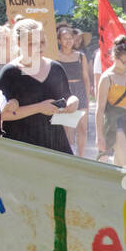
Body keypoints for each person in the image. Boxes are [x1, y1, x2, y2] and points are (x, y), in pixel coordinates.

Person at [0, 18, 77, 154]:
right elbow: (0, 115)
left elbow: (68, 96)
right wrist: (39, 108)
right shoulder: (9, 73)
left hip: (54, 143)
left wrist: (73, 102)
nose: (39, 47)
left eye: (42, 42)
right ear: (18, 43)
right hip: (21, 148)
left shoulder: (56, 67)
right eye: (32, 43)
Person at [95, 36, 126, 168]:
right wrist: (99, 135)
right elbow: (100, 108)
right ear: (115, 58)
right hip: (114, 122)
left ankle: (116, 187)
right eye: (125, 62)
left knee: (120, 163)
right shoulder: (107, 78)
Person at [55, 24, 93, 157]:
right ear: (59, 40)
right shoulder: (55, 57)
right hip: (64, 91)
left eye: (70, 37)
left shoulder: (80, 56)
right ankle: (69, 155)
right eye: (65, 38)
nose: (68, 41)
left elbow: (86, 78)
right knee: (68, 128)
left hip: (80, 90)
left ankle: (81, 157)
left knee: (82, 128)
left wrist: (87, 97)